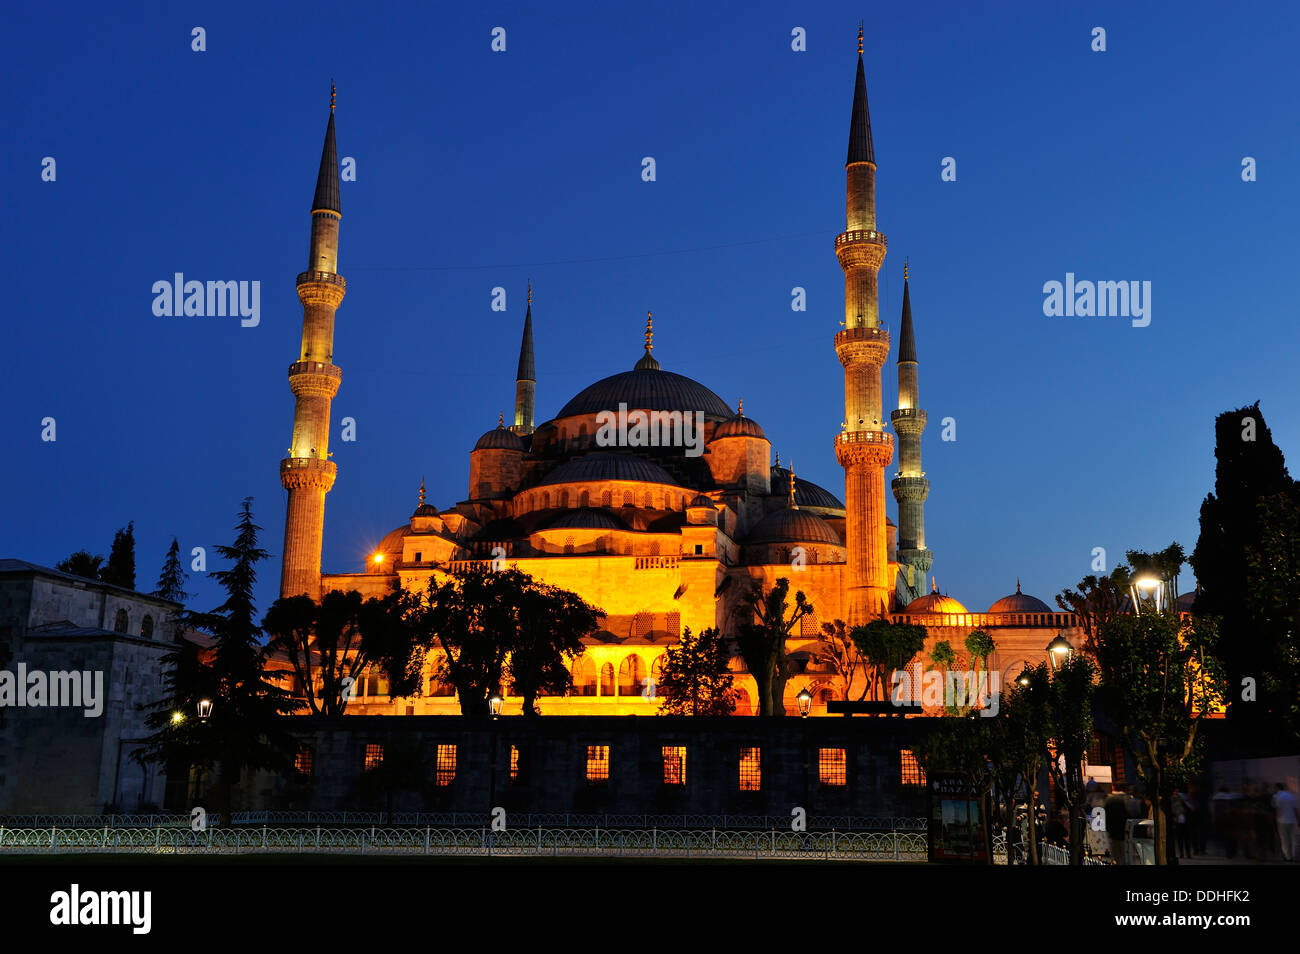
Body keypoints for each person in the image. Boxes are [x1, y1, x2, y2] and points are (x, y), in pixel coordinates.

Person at [1104, 784, 1130, 864]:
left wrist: (1107, 827)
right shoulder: (1126, 799)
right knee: (1124, 851)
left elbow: (1106, 814)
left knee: (1115, 852)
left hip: (1112, 829)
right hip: (1124, 829)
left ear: (1113, 787)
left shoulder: (1109, 799)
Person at [1273, 783, 1298, 862]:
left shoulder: (1276, 797)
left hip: (1282, 821)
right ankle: (1295, 856)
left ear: (1277, 788)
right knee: (1294, 839)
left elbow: (1276, 809)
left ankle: (1288, 857)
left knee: (1284, 839)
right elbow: (1295, 809)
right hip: (1292, 820)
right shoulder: (1290, 796)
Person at [1172, 790, 1192, 859]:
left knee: (1186, 839)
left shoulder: (1185, 804)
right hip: (1178, 823)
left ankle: (1188, 853)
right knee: (1180, 839)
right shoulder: (1174, 804)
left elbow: (1190, 811)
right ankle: (1182, 853)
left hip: (1185, 823)